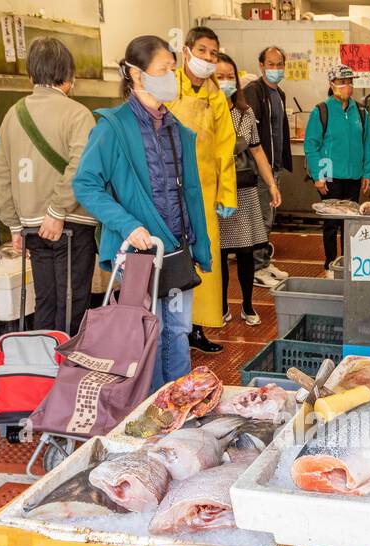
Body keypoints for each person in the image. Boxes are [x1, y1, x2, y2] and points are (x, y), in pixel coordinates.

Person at [72, 35, 212, 390]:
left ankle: (178, 406)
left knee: (179, 333)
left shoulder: (176, 129)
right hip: (137, 255)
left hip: (176, 251)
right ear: (136, 74)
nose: (171, 77)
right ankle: (148, 415)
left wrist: (198, 244)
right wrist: (127, 225)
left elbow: (190, 192)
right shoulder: (112, 128)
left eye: (172, 69)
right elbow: (86, 184)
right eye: (163, 69)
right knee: (149, 335)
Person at [0, 36, 97, 333]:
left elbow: (0, 173)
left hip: (30, 228)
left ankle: (43, 369)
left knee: (46, 301)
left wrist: (13, 225)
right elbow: (81, 166)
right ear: (69, 75)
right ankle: (66, 369)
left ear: (31, 75)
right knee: (72, 303)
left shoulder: (13, 114)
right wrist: (57, 210)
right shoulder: (78, 114)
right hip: (71, 226)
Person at [167, 26, 236, 355]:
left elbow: (226, 147)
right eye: (203, 50)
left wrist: (227, 194)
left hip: (205, 192)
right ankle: (171, 331)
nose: (208, 58)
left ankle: (196, 329)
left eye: (213, 53)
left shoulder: (217, 97)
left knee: (203, 261)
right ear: (186, 51)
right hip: (168, 190)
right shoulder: (167, 86)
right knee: (171, 260)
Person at [214, 53, 282, 326]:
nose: (226, 82)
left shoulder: (244, 113)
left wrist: (272, 184)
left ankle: (247, 305)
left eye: (230, 76)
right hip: (216, 191)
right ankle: (219, 307)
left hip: (243, 189)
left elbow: (257, 151)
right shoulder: (204, 112)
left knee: (244, 251)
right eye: (219, 77)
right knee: (218, 254)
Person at [304, 65, 370, 276]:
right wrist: (318, 176)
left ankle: (349, 263)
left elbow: (366, 143)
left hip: (353, 175)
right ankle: (330, 265)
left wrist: (367, 172)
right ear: (332, 84)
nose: (347, 87)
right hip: (330, 176)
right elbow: (311, 145)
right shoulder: (321, 111)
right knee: (332, 223)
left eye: (350, 82)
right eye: (343, 82)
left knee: (350, 223)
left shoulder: (360, 112)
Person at [244, 46, 292, 288]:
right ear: (261, 66)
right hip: (259, 170)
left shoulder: (279, 94)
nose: (275, 69)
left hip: (274, 167)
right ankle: (256, 267)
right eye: (270, 64)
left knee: (269, 216)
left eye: (279, 64)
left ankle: (264, 262)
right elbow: (250, 138)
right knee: (261, 217)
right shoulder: (253, 92)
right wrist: (261, 168)